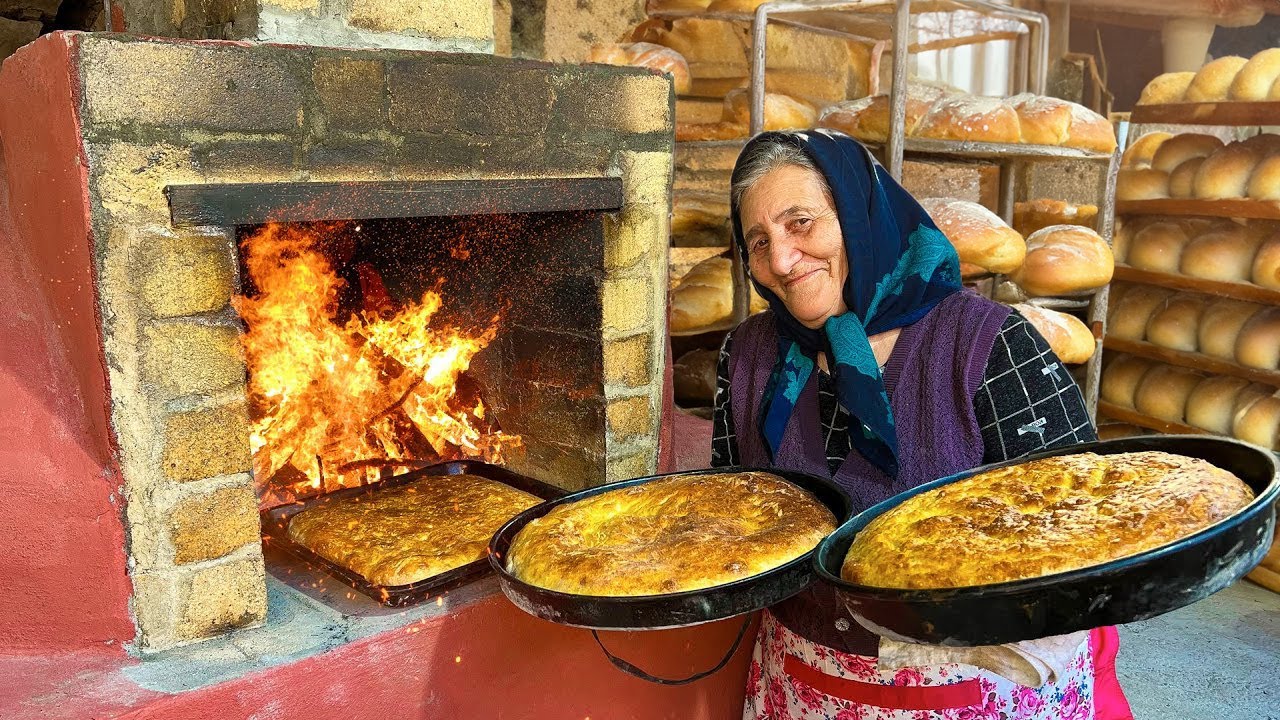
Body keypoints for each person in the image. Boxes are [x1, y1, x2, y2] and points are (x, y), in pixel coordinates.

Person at [711, 130, 1133, 720]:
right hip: (802, 680)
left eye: (801, 223)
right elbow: (728, 509)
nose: (780, 260)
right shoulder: (748, 355)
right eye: (759, 240)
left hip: (975, 685)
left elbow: (1081, 527)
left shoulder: (989, 345)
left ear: (858, 214)